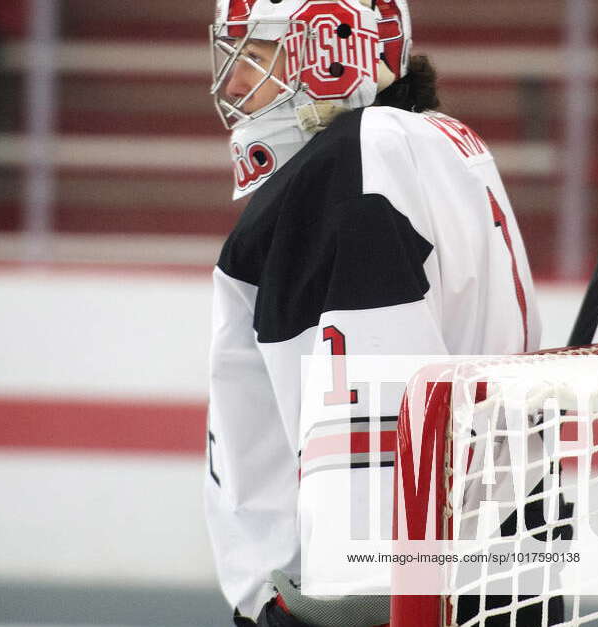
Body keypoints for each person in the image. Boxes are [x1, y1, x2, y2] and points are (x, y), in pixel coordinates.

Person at [202, 1, 553, 625]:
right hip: (501, 547)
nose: (231, 85)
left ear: (331, 56)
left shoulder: (353, 160)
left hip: (401, 589)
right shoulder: (442, 138)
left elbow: (375, 409)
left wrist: (348, 597)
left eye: (255, 58)